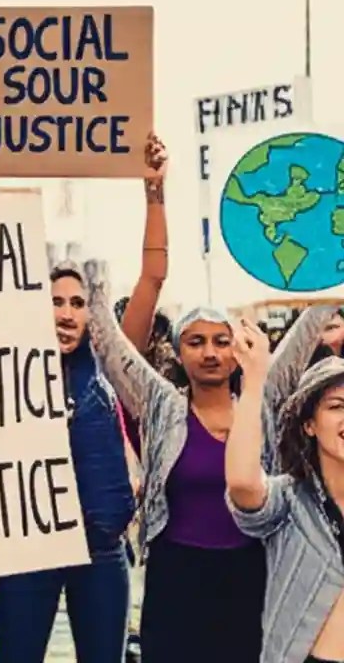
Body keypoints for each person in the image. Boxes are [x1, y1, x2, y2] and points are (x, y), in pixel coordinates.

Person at [0, 133, 166, 661]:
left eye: (77, 302)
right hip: (27, 546)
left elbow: (152, 278)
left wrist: (155, 192)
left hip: (99, 548)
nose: (67, 312)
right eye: (54, 301)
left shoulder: (110, 367)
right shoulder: (4, 364)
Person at [81, 256, 335, 660]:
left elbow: (310, 324)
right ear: (179, 354)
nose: (210, 352)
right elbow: (111, 347)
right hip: (175, 576)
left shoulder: (262, 400)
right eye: (196, 342)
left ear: (237, 352)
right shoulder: (161, 405)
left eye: (221, 341)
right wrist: (92, 281)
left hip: (250, 572)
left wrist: (331, 264)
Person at [227, 327, 344, 663]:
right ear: (309, 424)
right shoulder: (290, 500)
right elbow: (243, 485)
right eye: (336, 406)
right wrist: (253, 382)